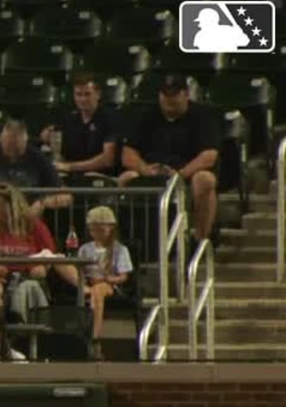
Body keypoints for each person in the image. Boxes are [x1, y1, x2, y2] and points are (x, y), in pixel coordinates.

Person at [119, 74, 220, 242]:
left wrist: (180, 174)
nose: (169, 99)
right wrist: (145, 169)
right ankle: (133, 240)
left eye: (174, 94)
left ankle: (200, 240)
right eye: (165, 94)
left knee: (205, 179)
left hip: (186, 175)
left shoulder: (203, 116)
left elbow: (209, 155)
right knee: (127, 177)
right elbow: (127, 153)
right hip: (153, 173)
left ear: (186, 94)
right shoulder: (147, 115)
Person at [0, 183, 77, 318]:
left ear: (11, 205)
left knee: (27, 288)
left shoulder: (33, 225)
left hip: (28, 275)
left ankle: (22, 327)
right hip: (1, 278)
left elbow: (50, 254)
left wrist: (43, 267)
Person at [0, 120, 71, 217]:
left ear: (25, 141)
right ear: (1, 139)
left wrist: (42, 202)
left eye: (16, 147)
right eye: (8, 146)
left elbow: (66, 196)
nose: (12, 151)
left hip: (27, 216)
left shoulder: (38, 157)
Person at [41, 71, 119, 182]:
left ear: (98, 94)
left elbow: (107, 159)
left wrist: (70, 167)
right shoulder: (69, 118)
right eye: (79, 94)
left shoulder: (109, 118)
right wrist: (47, 135)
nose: (82, 99)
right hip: (71, 174)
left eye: (87, 94)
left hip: (101, 176)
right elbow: (51, 139)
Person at [78, 206, 132, 357]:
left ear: (111, 228)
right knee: (92, 291)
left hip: (109, 284)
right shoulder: (85, 249)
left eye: (101, 230)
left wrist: (108, 278)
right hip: (88, 283)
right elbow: (79, 270)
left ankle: (94, 336)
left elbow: (123, 276)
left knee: (98, 291)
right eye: (93, 230)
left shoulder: (120, 250)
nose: (96, 234)